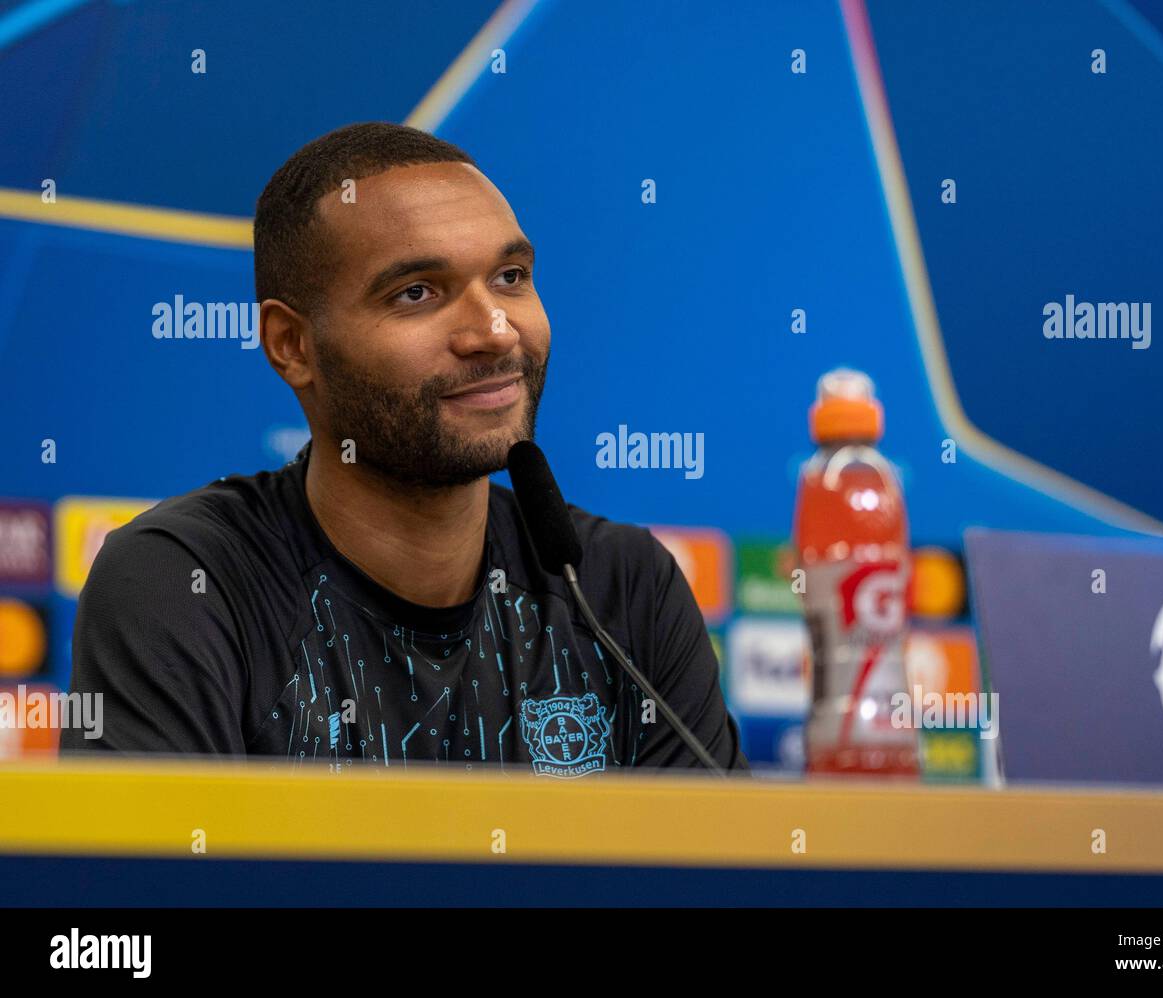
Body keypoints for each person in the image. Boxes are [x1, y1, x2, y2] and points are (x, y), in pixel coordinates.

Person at [62, 122, 748, 776]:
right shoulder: (186, 585)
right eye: (418, 293)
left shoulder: (621, 591)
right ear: (291, 345)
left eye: (510, 277)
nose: (496, 331)